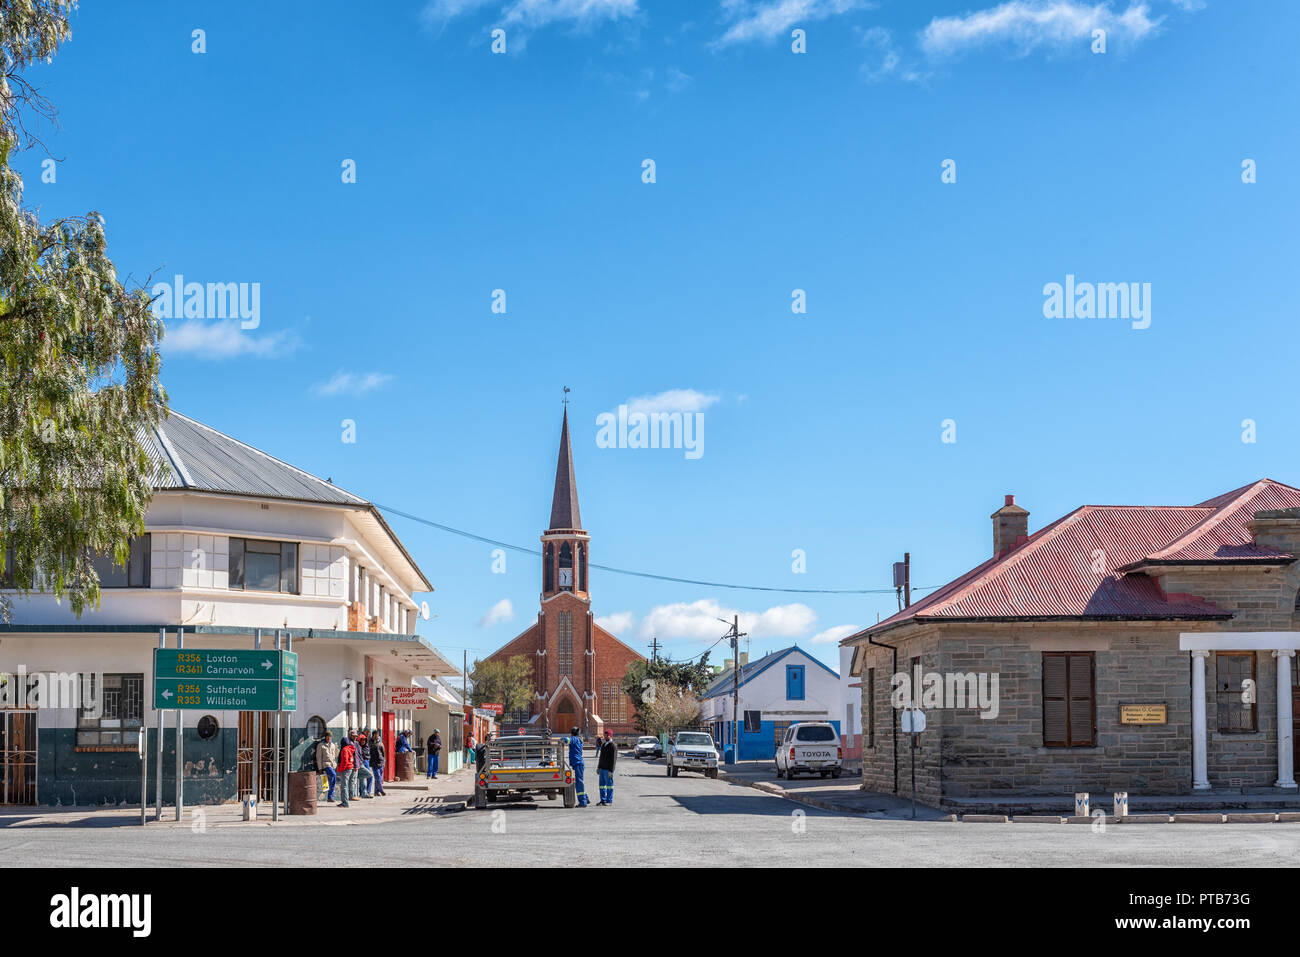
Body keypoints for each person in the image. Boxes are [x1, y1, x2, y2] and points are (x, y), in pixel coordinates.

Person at [568, 726, 589, 807]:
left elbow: (567, 740)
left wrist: (561, 739)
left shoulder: (575, 739)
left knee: (579, 783)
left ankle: (583, 802)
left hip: (578, 763)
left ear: (572, 733)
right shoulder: (579, 739)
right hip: (578, 763)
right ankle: (585, 798)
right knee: (579, 782)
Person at [315, 730, 338, 803]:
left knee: (332, 780)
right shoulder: (321, 745)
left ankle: (330, 797)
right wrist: (320, 768)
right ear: (325, 737)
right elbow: (319, 757)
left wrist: (335, 764)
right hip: (326, 764)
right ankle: (330, 796)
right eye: (327, 736)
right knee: (333, 775)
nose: (329, 738)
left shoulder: (333, 745)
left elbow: (334, 755)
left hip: (332, 765)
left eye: (330, 736)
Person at [597, 729, 617, 806]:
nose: (605, 736)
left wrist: (611, 771)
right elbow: (601, 757)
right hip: (602, 769)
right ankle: (603, 800)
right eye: (605, 735)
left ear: (610, 735)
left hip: (608, 770)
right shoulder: (603, 745)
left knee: (609, 786)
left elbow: (613, 759)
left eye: (606, 735)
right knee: (601, 786)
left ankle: (609, 801)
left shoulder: (613, 746)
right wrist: (598, 767)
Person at [336, 732, 357, 808]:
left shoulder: (344, 749)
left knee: (344, 786)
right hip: (350, 768)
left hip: (346, 769)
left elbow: (345, 761)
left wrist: (340, 769)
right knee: (346, 785)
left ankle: (345, 802)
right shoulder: (350, 748)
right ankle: (345, 801)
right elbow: (351, 759)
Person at [369, 731, 386, 797]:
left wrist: (384, 761)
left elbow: (383, 753)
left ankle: (376, 792)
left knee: (380, 778)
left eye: (378, 735)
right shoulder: (370, 743)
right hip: (374, 763)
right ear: (373, 735)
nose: (377, 736)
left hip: (380, 762)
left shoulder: (380, 743)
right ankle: (381, 789)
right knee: (377, 777)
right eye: (375, 735)